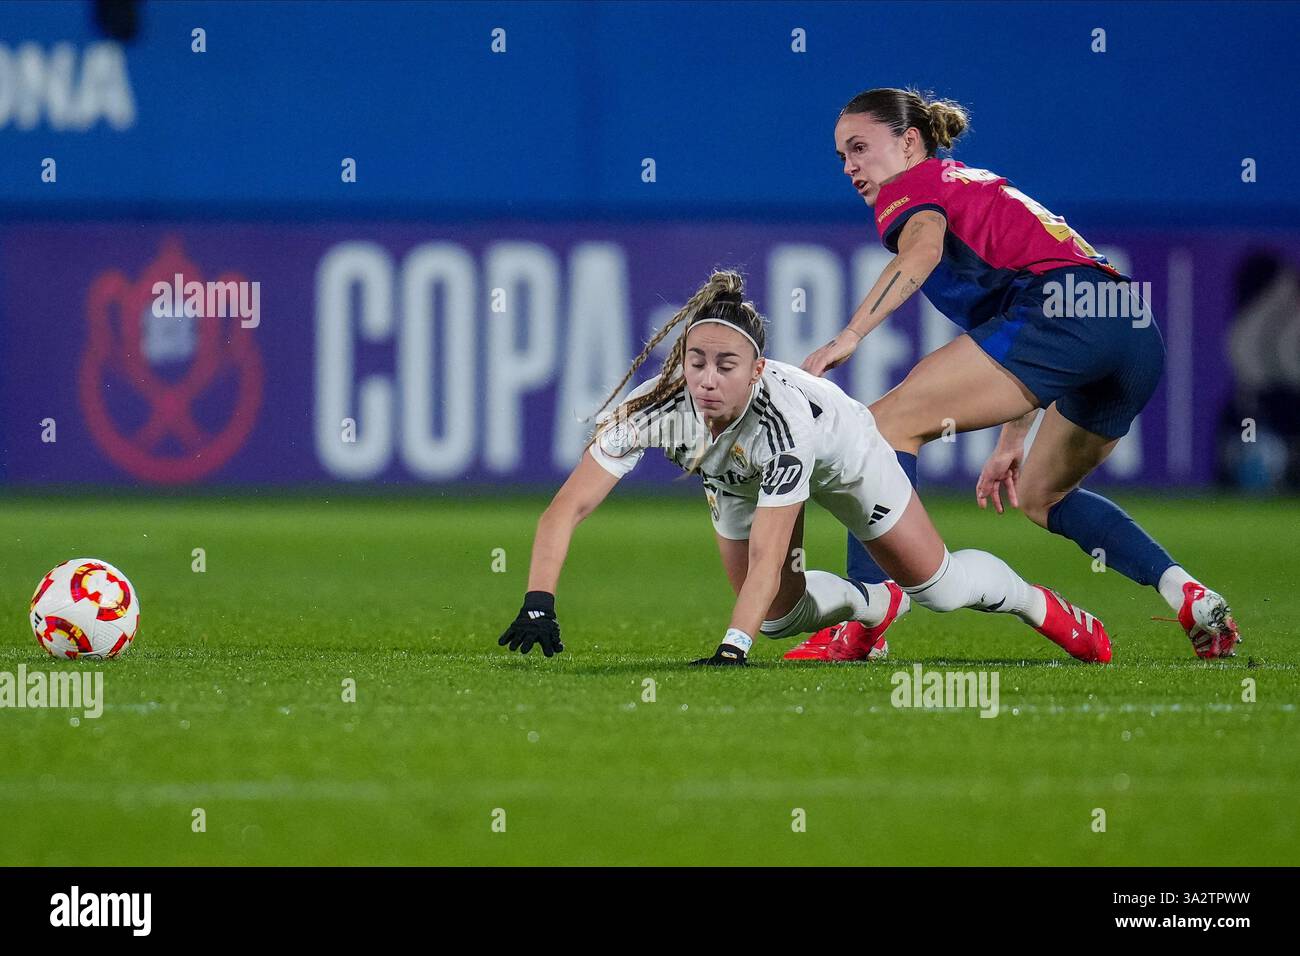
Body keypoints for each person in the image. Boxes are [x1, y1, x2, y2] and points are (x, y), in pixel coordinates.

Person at [792, 87, 1239, 661]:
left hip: (1063, 313)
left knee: (876, 431)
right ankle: (1186, 591)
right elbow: (1027, 316)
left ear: (909, 143)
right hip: (1128, 329)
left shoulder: (914, 185)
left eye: (860, 148)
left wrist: (850, 335)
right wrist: (1012, 439)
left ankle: (865, 619)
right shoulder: (965, 181)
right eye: (842, 157)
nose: (851, 166)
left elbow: (922, 253)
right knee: (1042, 494)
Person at [496, 270, 1111, 665]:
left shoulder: (784, 421)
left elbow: (769, 555)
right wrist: (538, 601)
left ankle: (1037, 603)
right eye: (696, 362)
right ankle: (873, 605)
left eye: (726, 366)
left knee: (940, 589)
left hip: (845, 457)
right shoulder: (656, 406)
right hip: (736, 474)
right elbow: (566, 507)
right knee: (776, 618)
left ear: (758, 369)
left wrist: (730, 651)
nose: (707, 380)